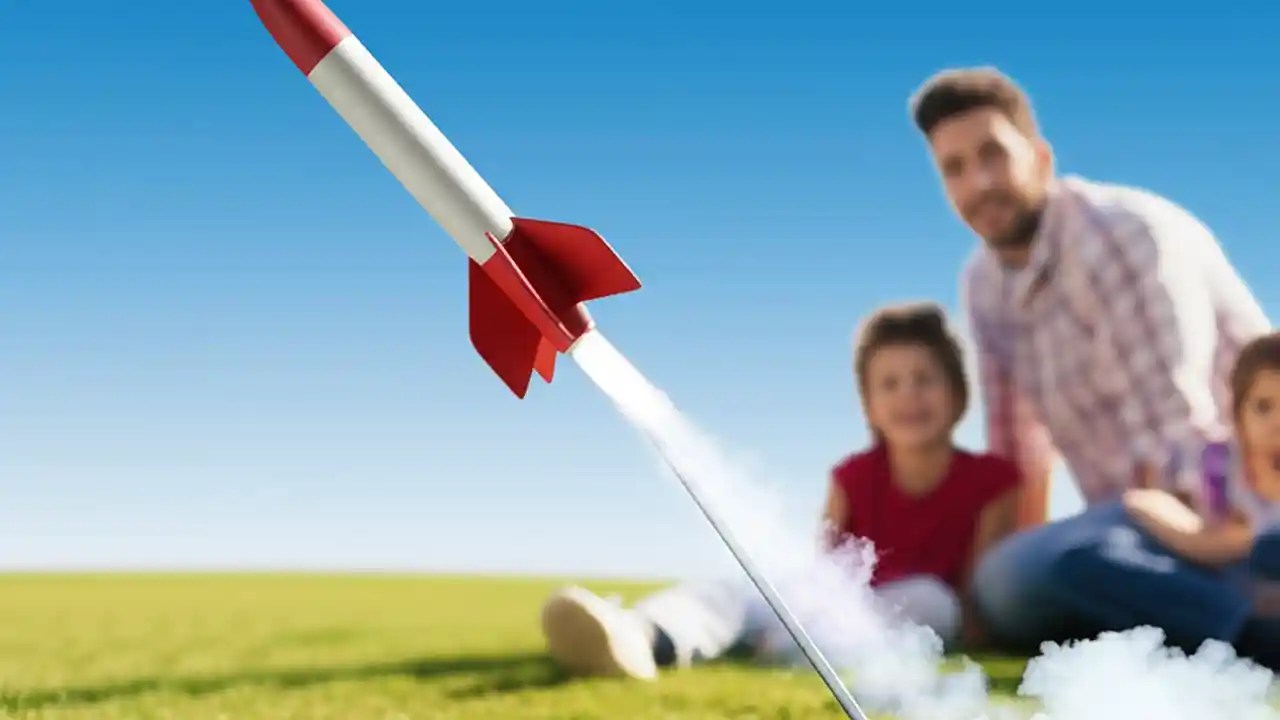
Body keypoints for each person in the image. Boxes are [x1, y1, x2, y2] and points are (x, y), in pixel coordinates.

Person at [907, 65, 1272, 653]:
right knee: (1009, 579)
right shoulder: (984, 285)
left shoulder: (1120, 237)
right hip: (1135, 529)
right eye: (954, 168)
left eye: (993, 155)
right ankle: (1200, 618)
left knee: (1028, 576)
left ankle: (1249, 621)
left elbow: (1176, 443)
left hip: (1232, 514)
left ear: (1041, 158)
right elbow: (1017, 456)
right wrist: (989, 594)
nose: (978, 183)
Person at [537, 303, 1021, 680]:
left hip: (917, 618)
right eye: (889, 384)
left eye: (924, 380)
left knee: (933, 601)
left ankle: (789, 645)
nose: (908, 396)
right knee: (742, 587)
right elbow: (826, 566)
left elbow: (980, 592)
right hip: (838, 607)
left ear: (957, 392)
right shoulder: (852, 476)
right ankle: (644, 636)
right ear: (869, 404)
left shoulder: (992, 481)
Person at [1056, 332, 1280, 666]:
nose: (1277, 423)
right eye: (1263, 407)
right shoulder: (1218, 470)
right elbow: (1170, 518)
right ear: (1238, 415)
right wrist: (1204, 537)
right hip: (1226, 595)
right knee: (1088, 562)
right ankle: (1244, 633)